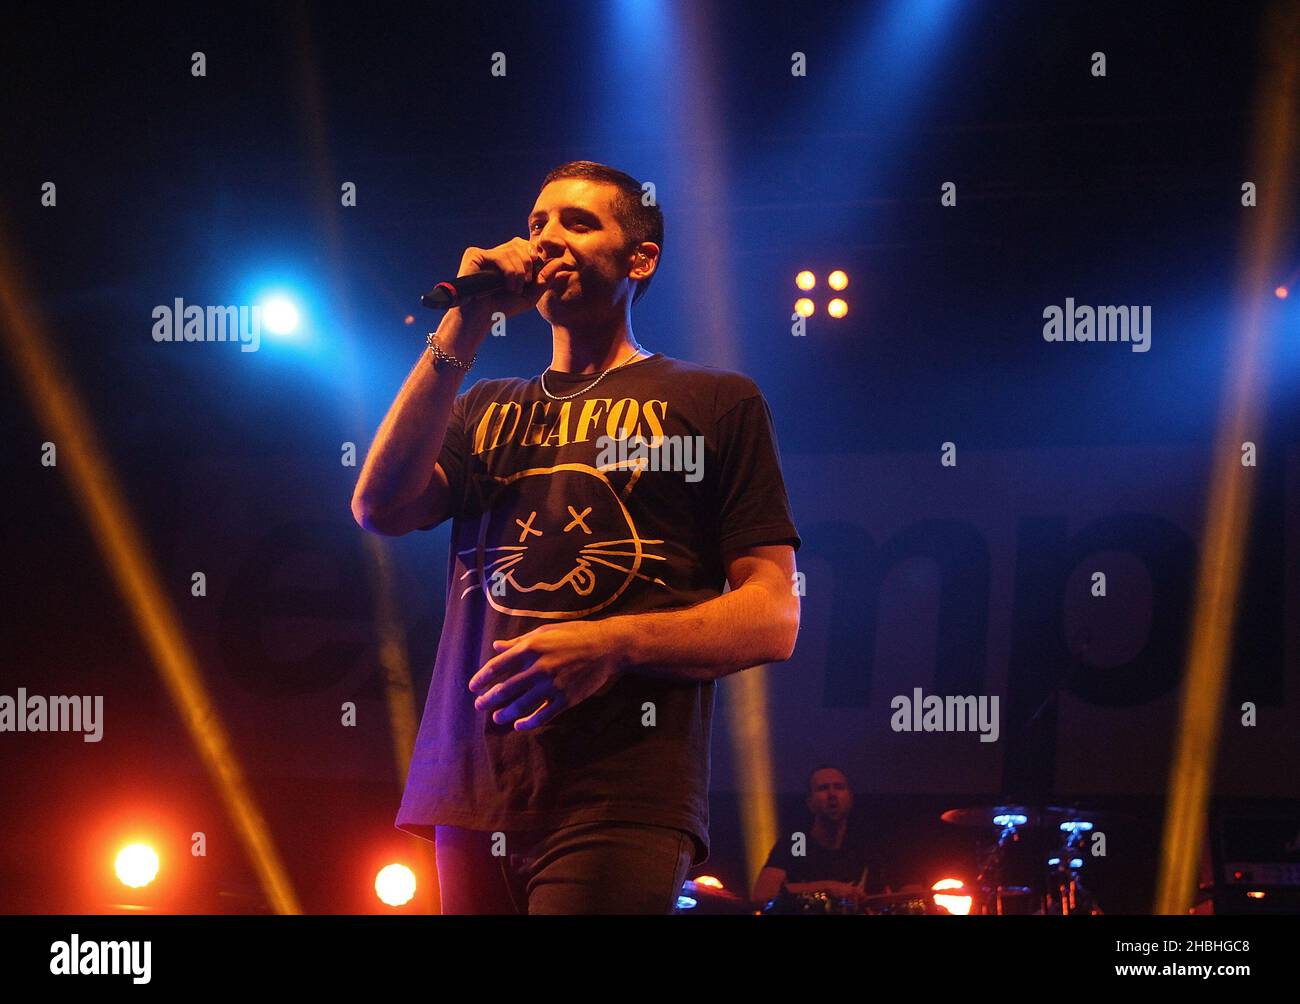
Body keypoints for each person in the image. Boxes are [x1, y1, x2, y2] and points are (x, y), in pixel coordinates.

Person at [351, 161, 802, 914]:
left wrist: (611, 644)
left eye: (578, 222)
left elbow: (773, 613)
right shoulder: (482, 406)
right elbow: (380, 506)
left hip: (621, 793)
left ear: (640, 259)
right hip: (469, 788)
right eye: (536, 225)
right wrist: (465, 320)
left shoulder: (714, 400)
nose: (547, 238)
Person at [751, 766, 886, 911]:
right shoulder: (799, 842)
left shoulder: (863, 843)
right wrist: (827, 887)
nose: (832, 794)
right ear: (809, 802)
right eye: (823, 788)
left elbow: (886, 896)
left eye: (839, 787)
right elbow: (762, 895)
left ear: (850, 798)